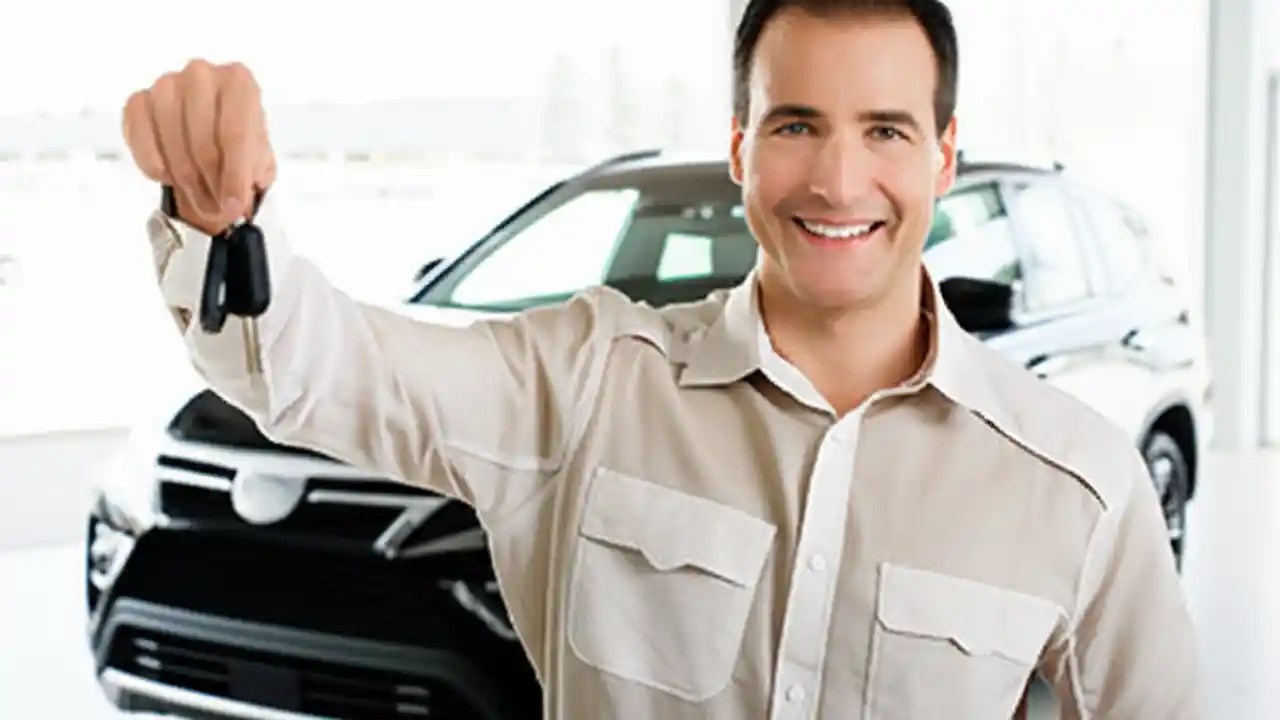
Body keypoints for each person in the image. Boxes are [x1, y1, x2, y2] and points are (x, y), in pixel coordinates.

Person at [121, 0, 1204, 717]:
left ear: (940, 155)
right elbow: (314, 367)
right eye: (793, 126)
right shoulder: (584, 384)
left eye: (882, 130)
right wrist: (222, 224)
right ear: (738, 149)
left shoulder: (1076, 480)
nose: (835, 181)